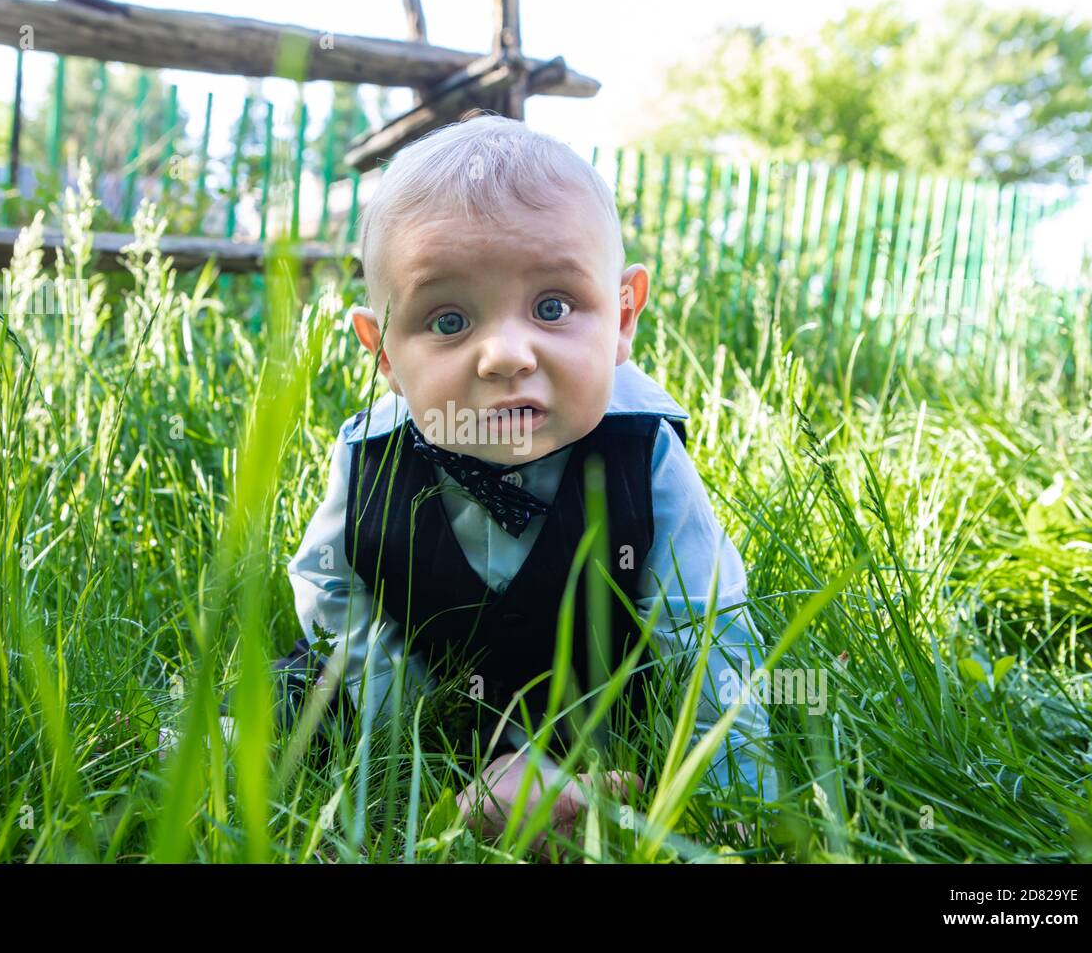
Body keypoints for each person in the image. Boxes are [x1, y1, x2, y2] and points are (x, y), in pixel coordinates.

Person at [283, 112, 777, 854]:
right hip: (424, 670)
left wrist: (737, 799)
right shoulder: (370, 462)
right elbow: (333, 592)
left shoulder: (643, 453)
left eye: (553, 307)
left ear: (621, 315)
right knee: (286, 708)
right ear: (383, 352)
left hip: (599, 685)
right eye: (448, 319)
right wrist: (419, 759)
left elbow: (704, 625)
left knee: (659, 715)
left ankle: (598, 784)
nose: (506, 354)